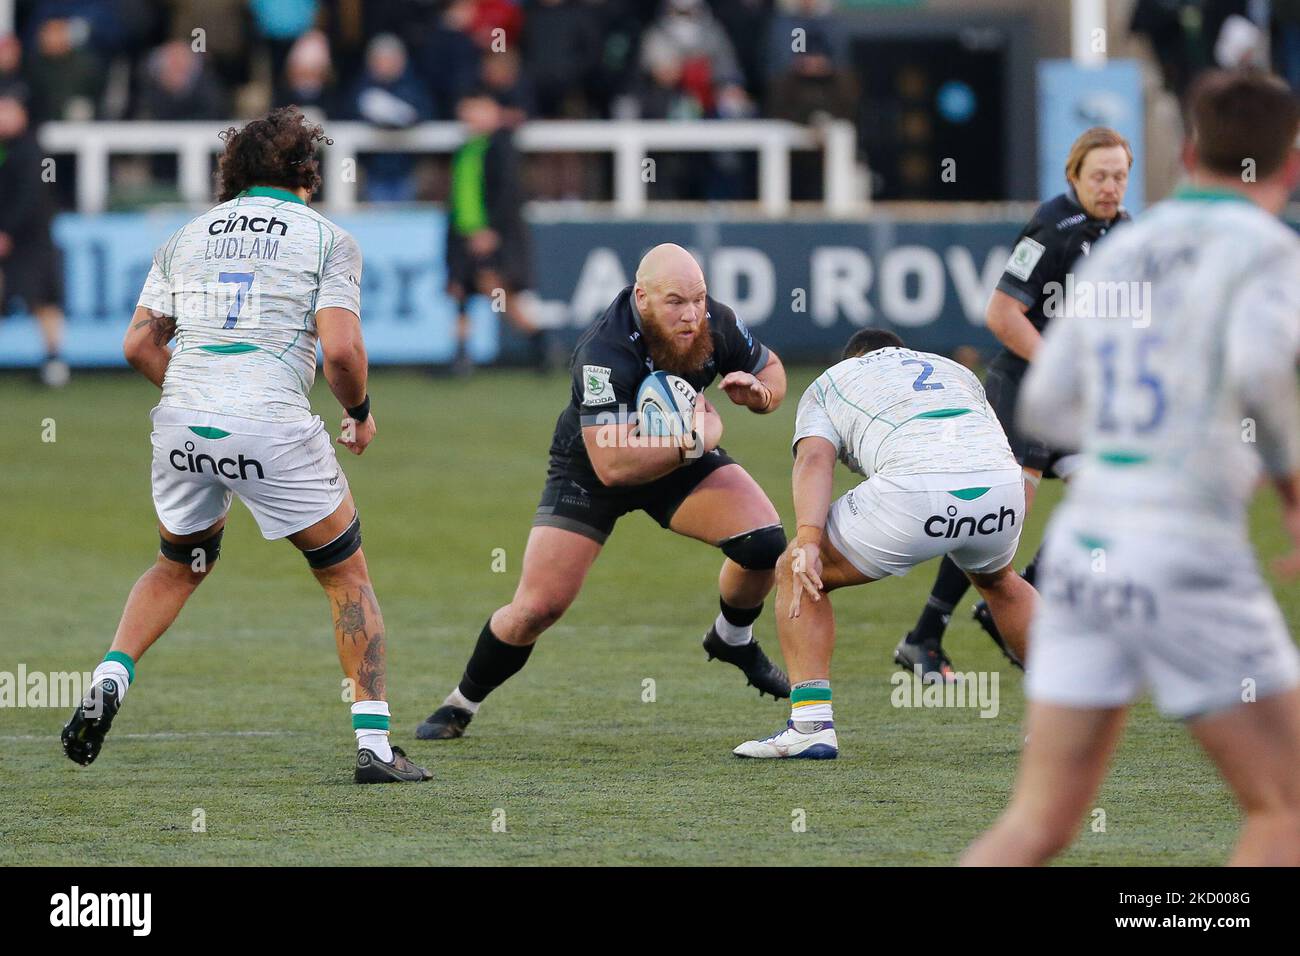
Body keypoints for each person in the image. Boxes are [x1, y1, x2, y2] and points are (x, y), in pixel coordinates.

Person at [963, 70, 1300, 866]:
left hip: (1086, 552)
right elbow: (1262, 373)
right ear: (1289, 165)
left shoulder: (1130, 249)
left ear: (1186, 153)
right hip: (1183, 550)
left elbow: (1046, 400)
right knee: (1285, 809)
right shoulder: (1270, 255)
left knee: (1037, 823)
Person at [60, 107, 430, 785]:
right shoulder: (327, 239)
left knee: (178, 564)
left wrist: (204, 393)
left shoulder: (183, 238)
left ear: (231, 174)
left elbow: (138, 344)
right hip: (270, 425)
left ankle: (112, 675)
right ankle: (376, 748)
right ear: (307, 174)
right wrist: (361, 413)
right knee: (345, 576)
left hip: (182, 424)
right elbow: (343, 350)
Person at [416, 243, 791, 740]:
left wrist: (761, 396)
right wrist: (696, 439)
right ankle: (462, 701)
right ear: (642, 297)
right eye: (676, 301)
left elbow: (773, 370)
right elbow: (612, 466)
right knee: (537, 608)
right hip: (591, 468)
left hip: (678, 452)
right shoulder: (603, 351)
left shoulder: (713, 322)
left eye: (699, 299)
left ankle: (732, 638)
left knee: (764, 543)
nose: (692, 314)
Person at [733, 329, 1038, 759]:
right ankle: (1060, 719)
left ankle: (810, 726)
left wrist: (808, 539)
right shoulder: (953, 368)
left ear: (852, 357)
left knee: (797, 567)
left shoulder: (833, 380)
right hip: (1003, 484)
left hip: (914, 491)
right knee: (1000, 582)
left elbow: (815, 459)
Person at [900, 126, 1132, 682]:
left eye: (1120, 175)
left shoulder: (1126, 234)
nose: (1110, 186)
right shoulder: (1052, 227)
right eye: (1098, 175)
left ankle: (1015, 596)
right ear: (1073, 175)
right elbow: (1002, 315)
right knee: (1001, 515)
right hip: (1025, 388)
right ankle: (924, 637)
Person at [444, 91, 548, 372]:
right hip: (463, 232)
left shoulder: (501, 147)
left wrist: (490, 230)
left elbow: (508, 194)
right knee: (461, 291)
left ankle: (539, 342)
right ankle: (461, 355)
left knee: (494, 287)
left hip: (488, 233)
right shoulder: (466, 148)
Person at [0, 89, 70, 387]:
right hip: (16, 237)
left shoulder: (30, 150)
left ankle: (54, 362)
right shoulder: (11, 148)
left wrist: (7, 231)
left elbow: (29, 197)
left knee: (43, 301)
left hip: (31, 240)